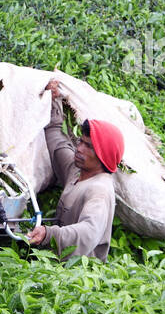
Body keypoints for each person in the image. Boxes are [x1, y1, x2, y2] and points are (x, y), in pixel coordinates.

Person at [26, 79, 123, 262]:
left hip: (77, 276)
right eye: (81, 142)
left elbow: (89, 232)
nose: (79, 149)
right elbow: (57, 141)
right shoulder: (77, 172)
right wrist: (53, 99)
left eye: (88, 146)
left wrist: (49, 234)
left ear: (103, 155)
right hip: (55, 264)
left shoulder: (99, 190)